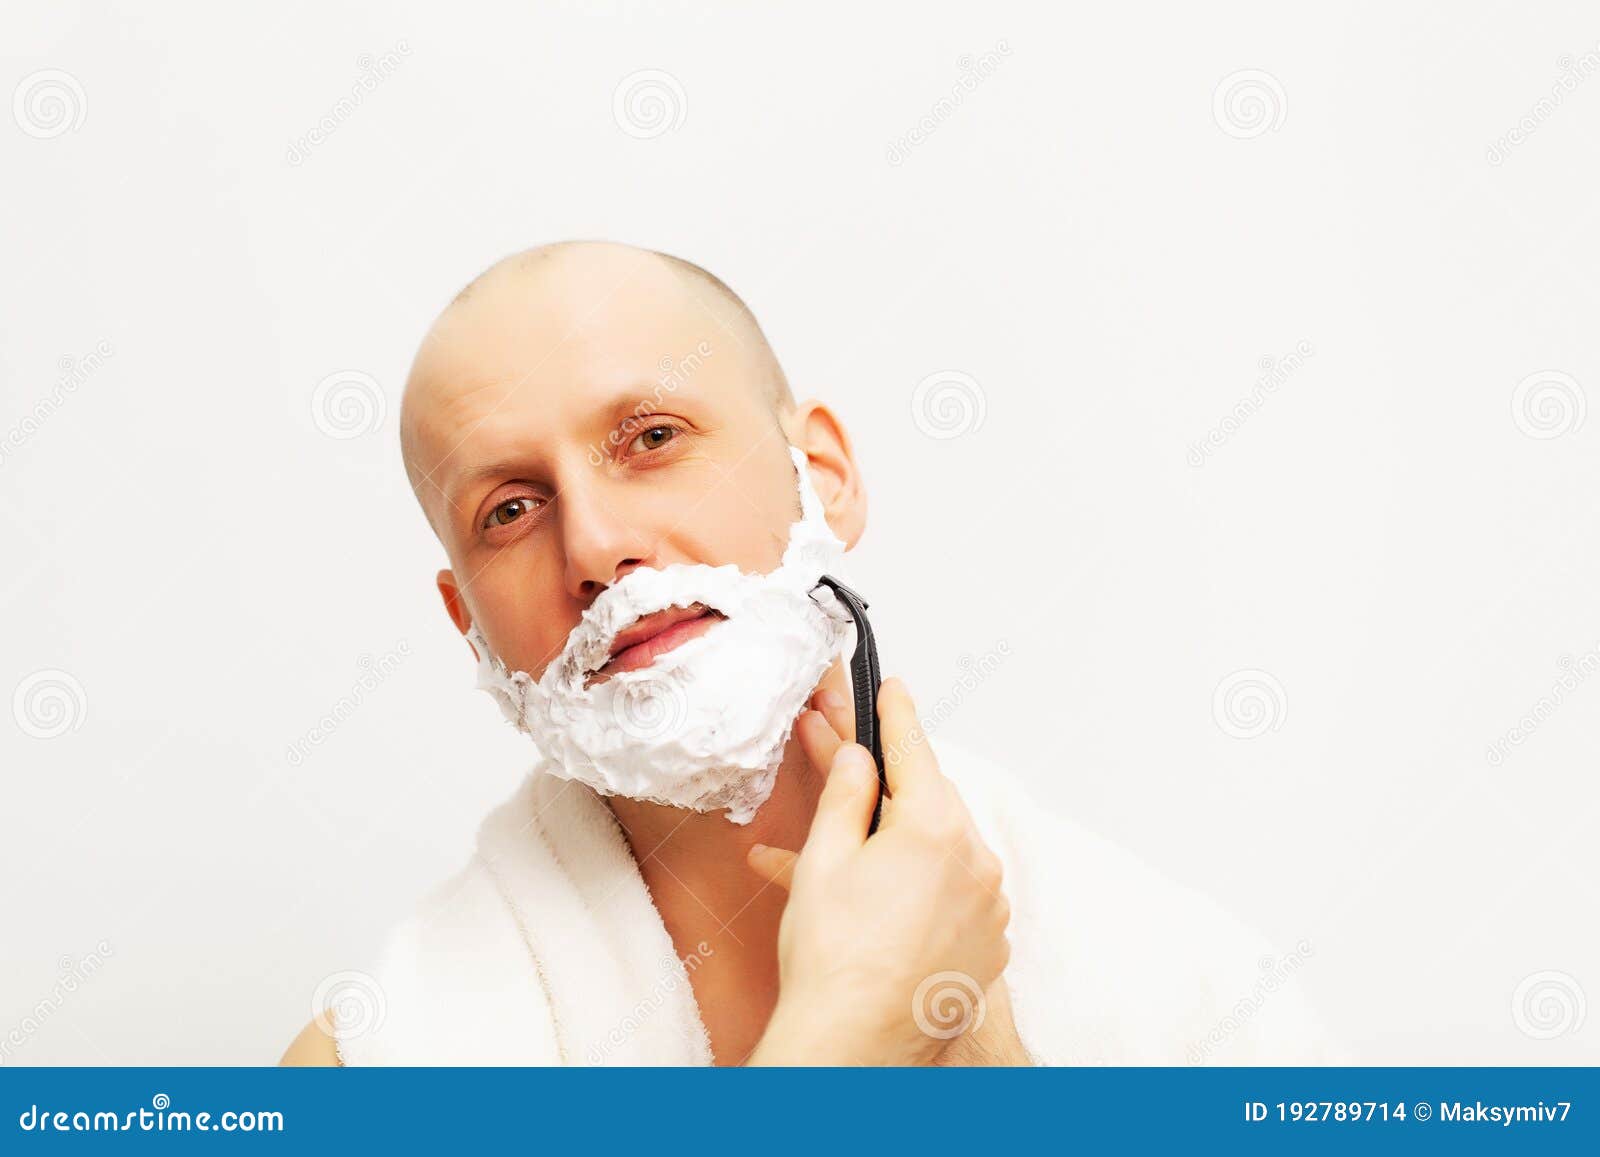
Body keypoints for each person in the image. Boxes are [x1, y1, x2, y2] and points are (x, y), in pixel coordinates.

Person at [281, 241, 1333, 1066]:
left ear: (821, 475)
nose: (597, 545)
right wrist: (839, 1046)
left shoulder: (1198, 1003)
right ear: (470, 625)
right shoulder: (370, 1069)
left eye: (651, 438)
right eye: (509, 508)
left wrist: (984, 1059)